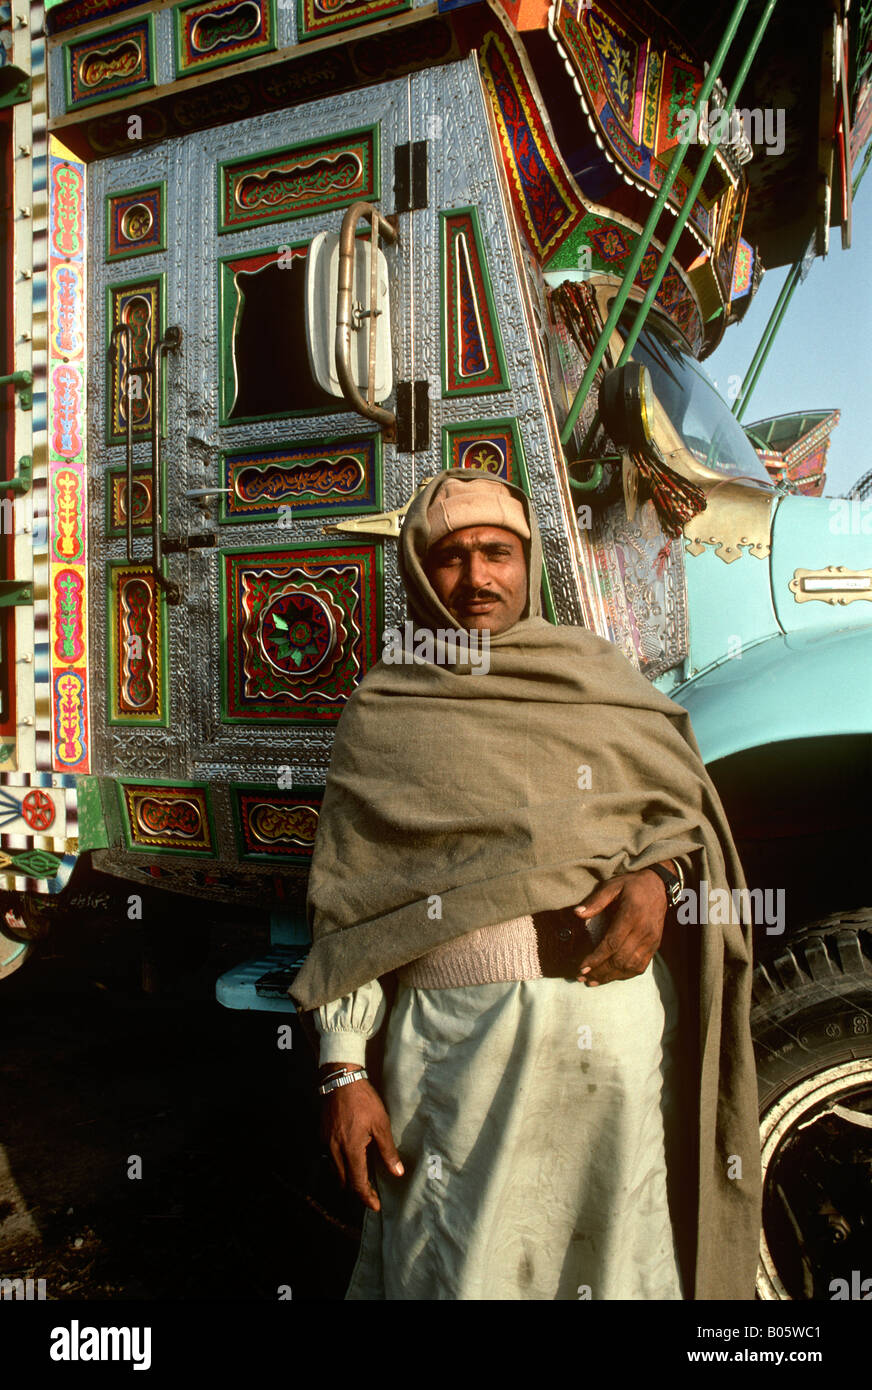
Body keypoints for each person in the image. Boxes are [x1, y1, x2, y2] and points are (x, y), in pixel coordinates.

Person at [290, 469, 761, 1300]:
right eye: (451, 558)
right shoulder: (387, 707)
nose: (476, 579)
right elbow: (351, 911)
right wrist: (342, 1071)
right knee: (462, 1268)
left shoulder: (597, 677)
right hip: (456, 1053)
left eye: (497, 553)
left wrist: (656, 879)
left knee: (614, 1262)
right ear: (417, 574)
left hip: (609, 1039)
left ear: (530, 560)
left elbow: (680, 817)